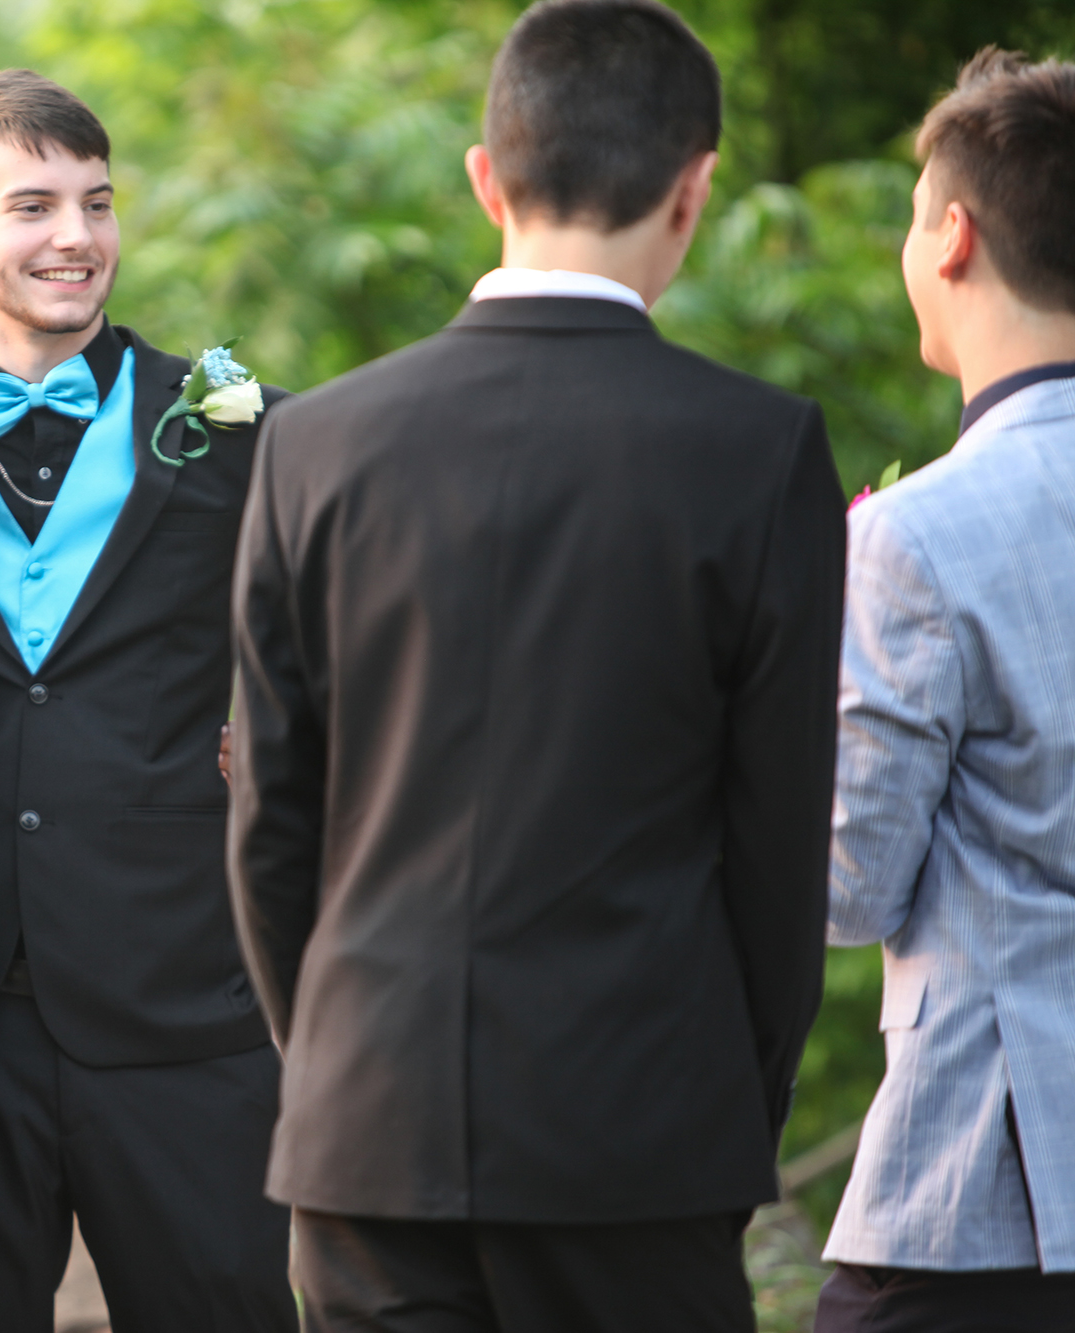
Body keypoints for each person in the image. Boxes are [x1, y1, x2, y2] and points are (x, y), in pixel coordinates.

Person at [226, 2, 848, 1329]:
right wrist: (725, 1102)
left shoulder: (314, 445)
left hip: (363, 1131)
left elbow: (271, 820)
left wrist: (334, 1052)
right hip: (641, 1133)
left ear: (483, 177)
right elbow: (780, 842)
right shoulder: (758, 450)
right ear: (696, 190)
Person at [0, 69, 298, 1333]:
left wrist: (279, 747)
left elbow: (350, 639)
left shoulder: (241, 432)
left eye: (98, 204)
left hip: (190, 998)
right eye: (35, 204)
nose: (76, 238)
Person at [814, 49, 1075, 1333]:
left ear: (953, 237)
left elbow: (842, 884)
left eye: (913, 216)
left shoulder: (918, 532)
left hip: (994, 1170)